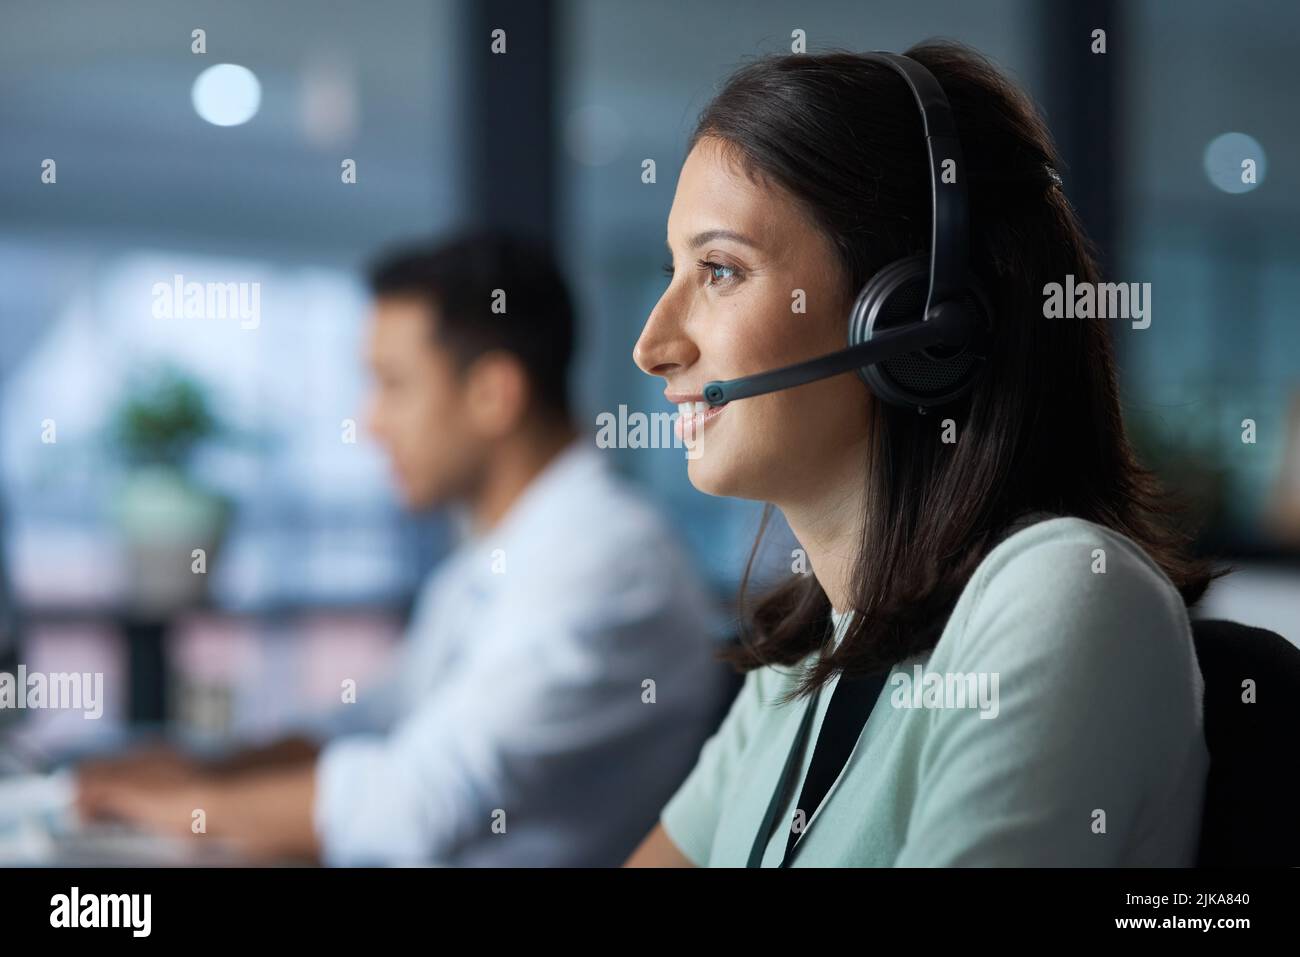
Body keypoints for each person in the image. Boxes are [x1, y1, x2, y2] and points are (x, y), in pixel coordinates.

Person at [625, 41, 1219, 867]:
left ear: (916, 319)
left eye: (720, 270)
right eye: (675, 269)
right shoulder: (811, 653)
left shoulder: (1067, 593)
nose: (652, 346)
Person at [77, 231, 730, 866]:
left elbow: (420, 801)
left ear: (492, 394)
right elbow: (376, 724)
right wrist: (209, 769)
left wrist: (192, 803)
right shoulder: (494, 556)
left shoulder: (607, 558)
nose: (370, 421)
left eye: (393, 384)